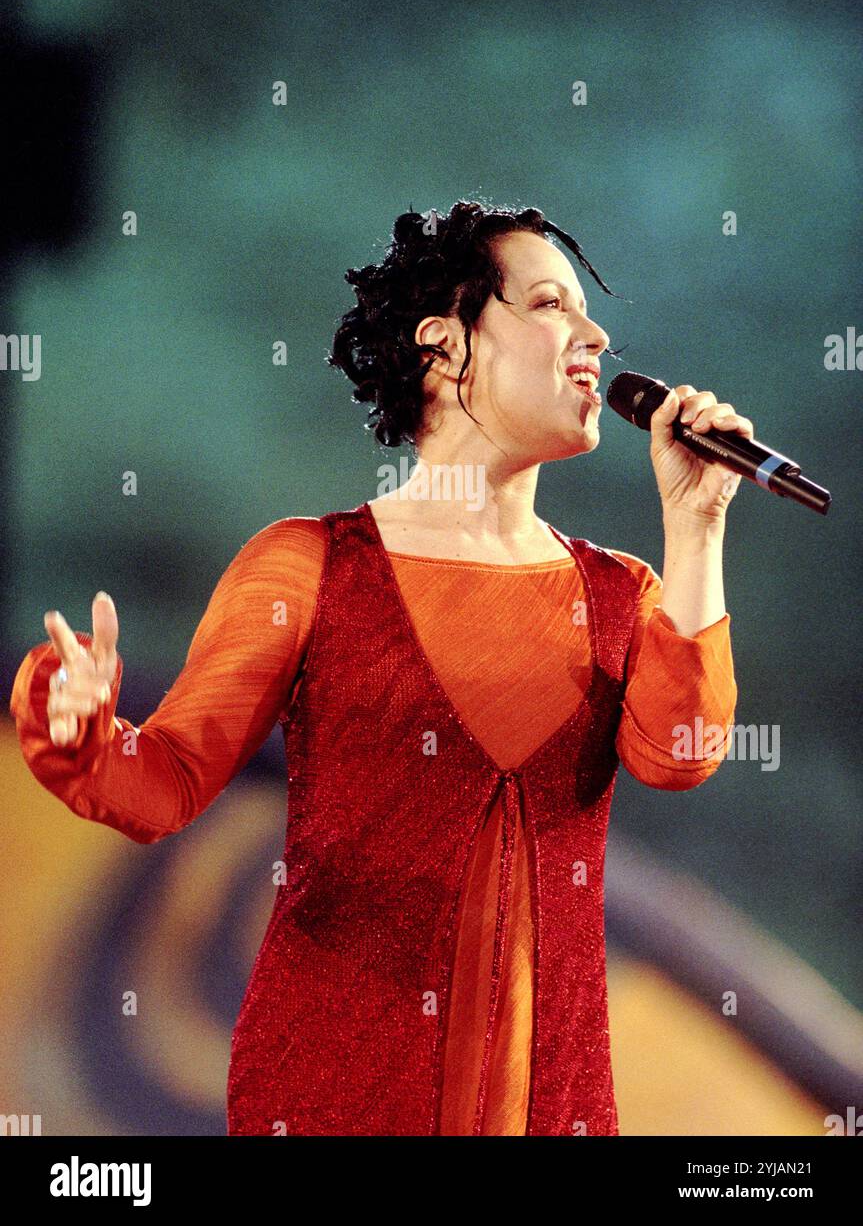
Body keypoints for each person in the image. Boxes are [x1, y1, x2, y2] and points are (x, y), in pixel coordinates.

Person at [10, 200, 747, 1136]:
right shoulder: (308, 569)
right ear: (444, 344)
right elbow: (162, 785)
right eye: (549, 304)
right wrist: (78, 726)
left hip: (549, 1107)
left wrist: (697, 525)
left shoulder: (618, 595)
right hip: (329, 1101)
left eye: (585, 312)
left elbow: (680, 753)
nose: (594, 336)